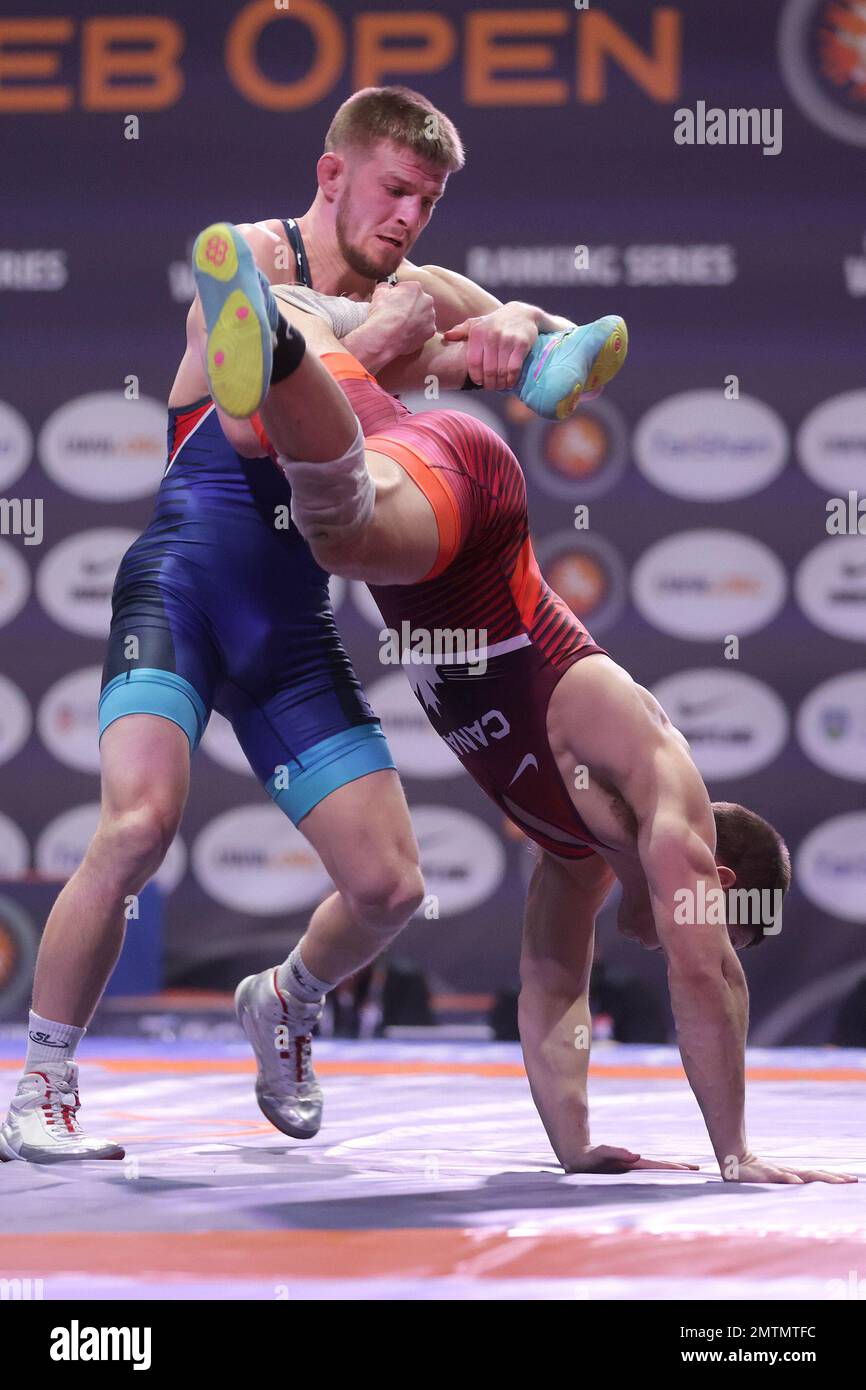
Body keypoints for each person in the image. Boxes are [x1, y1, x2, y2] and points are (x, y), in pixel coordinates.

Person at [0, 86, 624, 1165]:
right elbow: (249, 432)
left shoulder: (416, 288)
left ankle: (284, 999)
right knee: (139, 824)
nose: (406, 219)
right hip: (185, 588)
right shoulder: (241, 261)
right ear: (331, 174)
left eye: (426, 202)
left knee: (389, 887)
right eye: (391, 191)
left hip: (289, 624)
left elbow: (546, 353)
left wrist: (519, 334)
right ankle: (42, 1085)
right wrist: (392, 348)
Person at [194, 222, 856, 1186]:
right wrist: (734, 1154)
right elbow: (706, 978)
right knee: (334, 528)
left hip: (407, 508)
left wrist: (575, 1148)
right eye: (723, 917)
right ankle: (517, 336)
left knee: (298, 419)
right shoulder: (657, 782)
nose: (697, 932)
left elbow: (554, 991)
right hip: (471, 512)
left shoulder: (575, 860)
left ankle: (324, 318)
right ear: (715, 876)